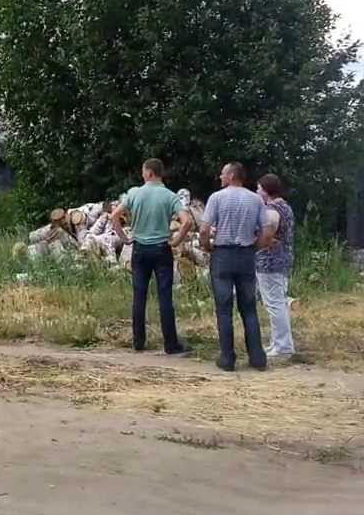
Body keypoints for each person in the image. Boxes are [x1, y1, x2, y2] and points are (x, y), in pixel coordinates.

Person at [110, 158, 191, 355]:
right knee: (165, 297)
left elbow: (114, 216)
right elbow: (187, 221)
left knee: (139, 295)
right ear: (160, 173)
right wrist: (176, 240)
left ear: (149, 173)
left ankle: (138, 341)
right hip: (161, 249)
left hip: (139, 249)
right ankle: (170, 344)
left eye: (143, 171)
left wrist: (125, 238)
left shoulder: (134, 193)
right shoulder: (170, 196)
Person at [199, 162, 267, 372]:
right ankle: (257, 357)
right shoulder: (255, 199)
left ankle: (228, 358)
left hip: (223, 254)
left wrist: (208, 247)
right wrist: (255, 247)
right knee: (249, 309)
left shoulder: (217, 198)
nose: (220, 177)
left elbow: (204, 229)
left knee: (224, 308)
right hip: (246, 254)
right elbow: (267, 230)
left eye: (222, 174)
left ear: (230, 175)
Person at [256, 173, 296, 358]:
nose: (257, 192)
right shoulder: (285, 206)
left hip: (270, 261)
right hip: (282, 258)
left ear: (265, 190)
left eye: (258, 188)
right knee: (279, 301)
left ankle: (282, 345)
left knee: (274, 303)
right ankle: (278, 343)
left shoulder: (272, 208)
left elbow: (269, 230)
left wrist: (258, 241)